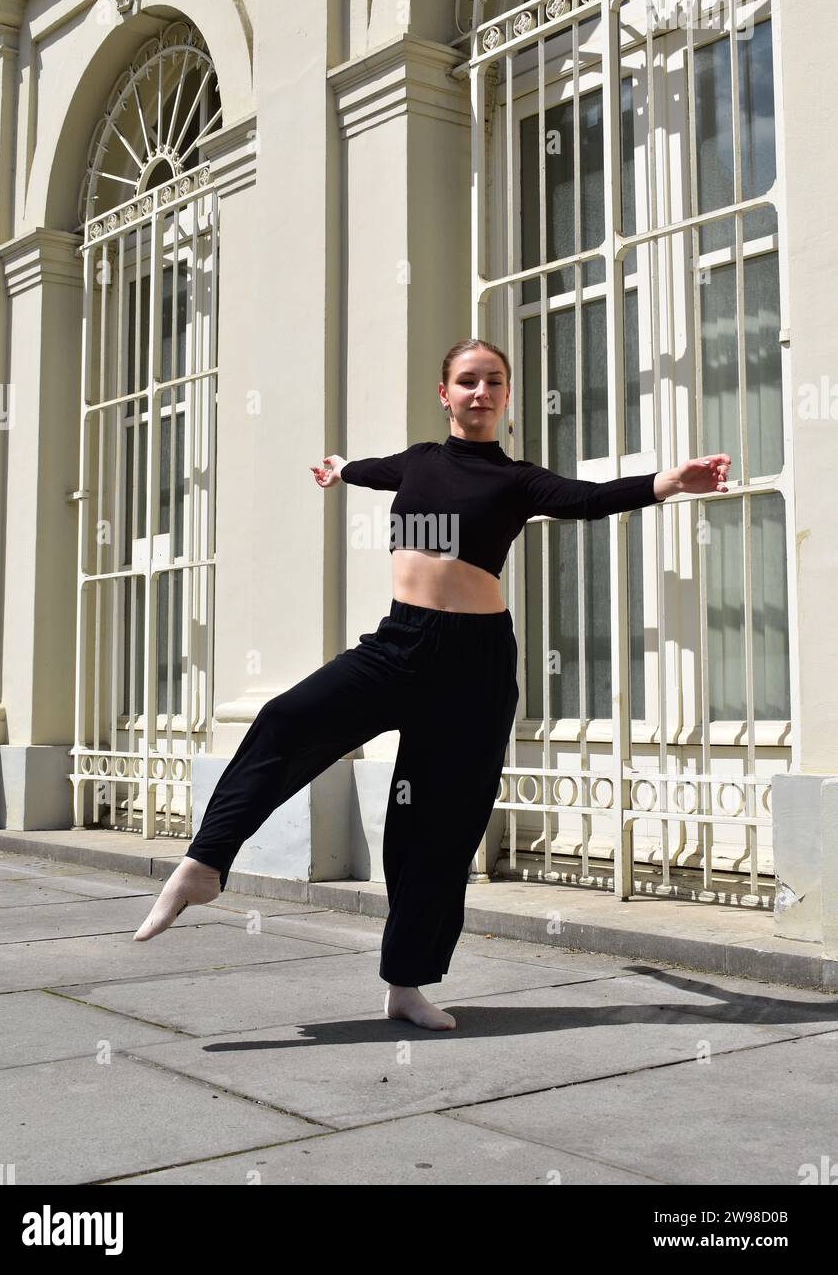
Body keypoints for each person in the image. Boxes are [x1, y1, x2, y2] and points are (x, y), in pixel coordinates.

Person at [133, 338, 730, 1030]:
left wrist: (668, 482)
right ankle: (206, 864)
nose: (481, 393)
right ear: (444, 394)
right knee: (286, 719)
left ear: (506, 397)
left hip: (475, 666)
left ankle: (408, 983)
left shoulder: (518, 480)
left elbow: (589, 500)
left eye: (494, 382)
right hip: (401, 645)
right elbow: (369, 468)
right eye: (468, 381)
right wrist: (337, 468)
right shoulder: (417, 462)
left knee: (437, 829)